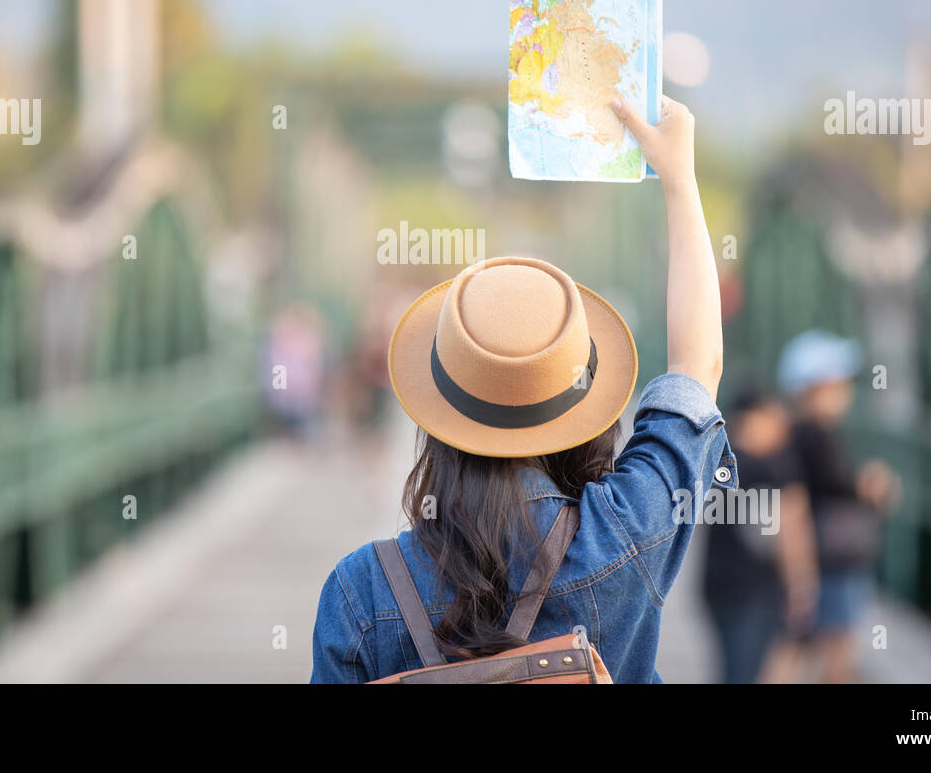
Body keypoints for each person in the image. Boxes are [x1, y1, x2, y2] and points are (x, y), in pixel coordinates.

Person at [311, 95, 736, 683]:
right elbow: (697, 368)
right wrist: (679, 181)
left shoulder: (360, 591)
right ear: (585, 411)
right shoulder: (624, 534)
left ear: (439, 415)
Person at [776, 329, 898, 683]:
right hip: (829, 559)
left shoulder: (799, 432)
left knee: (800, 646)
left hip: (817, 558)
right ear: (815, 388)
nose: (846, 390)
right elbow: (840, 484)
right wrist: (872, 485)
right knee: (836, 650)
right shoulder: (813, 434)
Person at [701, 387, 817, 683]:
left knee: (732, 668)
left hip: (716, 584)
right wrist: (801, 586)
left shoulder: (719, 462)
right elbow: (791, 530)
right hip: (755, 589)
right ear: (756, 419)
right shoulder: (775, 466)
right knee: (747, 671)